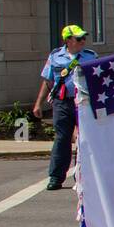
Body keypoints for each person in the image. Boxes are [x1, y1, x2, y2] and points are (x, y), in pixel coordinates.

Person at [33, 25, 97, 191]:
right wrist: (38, 103)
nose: (83, 41)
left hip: (83, 102)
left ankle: (83, 176)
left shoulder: (90, 56)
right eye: (79, 38)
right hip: (62, 102)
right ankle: (56, 177)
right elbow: (48, 81)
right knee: (62, 138)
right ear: (68, 40)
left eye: (84, 38)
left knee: (85, 138)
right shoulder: (55, 57)